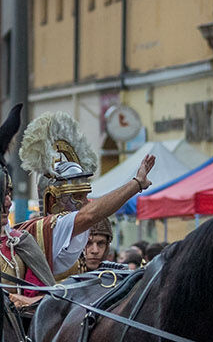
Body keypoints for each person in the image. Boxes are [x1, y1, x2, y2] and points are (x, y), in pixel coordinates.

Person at [8, 113, 152, 292]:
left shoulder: (65, 233)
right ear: (53, 199)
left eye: (85, 195)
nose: (86, 202)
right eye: (78, 196)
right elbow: (90, 215)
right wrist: (136, 184)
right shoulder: (53, 227)